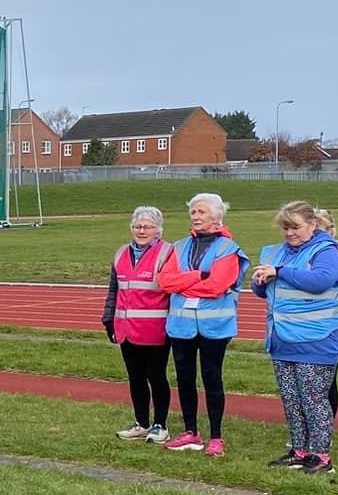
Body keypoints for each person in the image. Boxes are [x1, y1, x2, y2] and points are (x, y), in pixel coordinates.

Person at [251, 201, 338, 476]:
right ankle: (299, 450)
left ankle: (321, 455)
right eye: (285, 228)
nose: (289, 233)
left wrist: (280, 272)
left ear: (312, 225)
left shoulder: (326, 250)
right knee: (291, 399)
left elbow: (321, 281)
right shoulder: (276, 251)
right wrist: (259, 281)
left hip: (317, 339)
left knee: (313, 398)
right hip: (283, 338)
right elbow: (263, 291)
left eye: (295, 227)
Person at [156, 192, 248, 458]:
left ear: (217, 216)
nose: (196, 216)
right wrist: (198, 275)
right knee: (185, 378)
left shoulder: (228, 248)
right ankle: (190, 431)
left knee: (212, 378)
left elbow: (217, 286)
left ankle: (216, 436)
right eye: (193, 212)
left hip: (215, 326)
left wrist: (184, 284)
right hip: (181, 325)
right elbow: (165, 281)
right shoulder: (179, 246)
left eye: (202, 212)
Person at [101, 205, 175, 443]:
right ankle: (141, 423)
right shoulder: (121, 253)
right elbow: (114, 290)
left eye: (148, 227)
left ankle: (160, 425)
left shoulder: (168, 252)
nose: (142, 231)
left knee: (156, 376)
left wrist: (174, 325)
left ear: (158, 230)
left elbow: (173, 291)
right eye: (137, 226)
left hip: (155, 330)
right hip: (126, 329)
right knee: (135, 377)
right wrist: (108, 318)